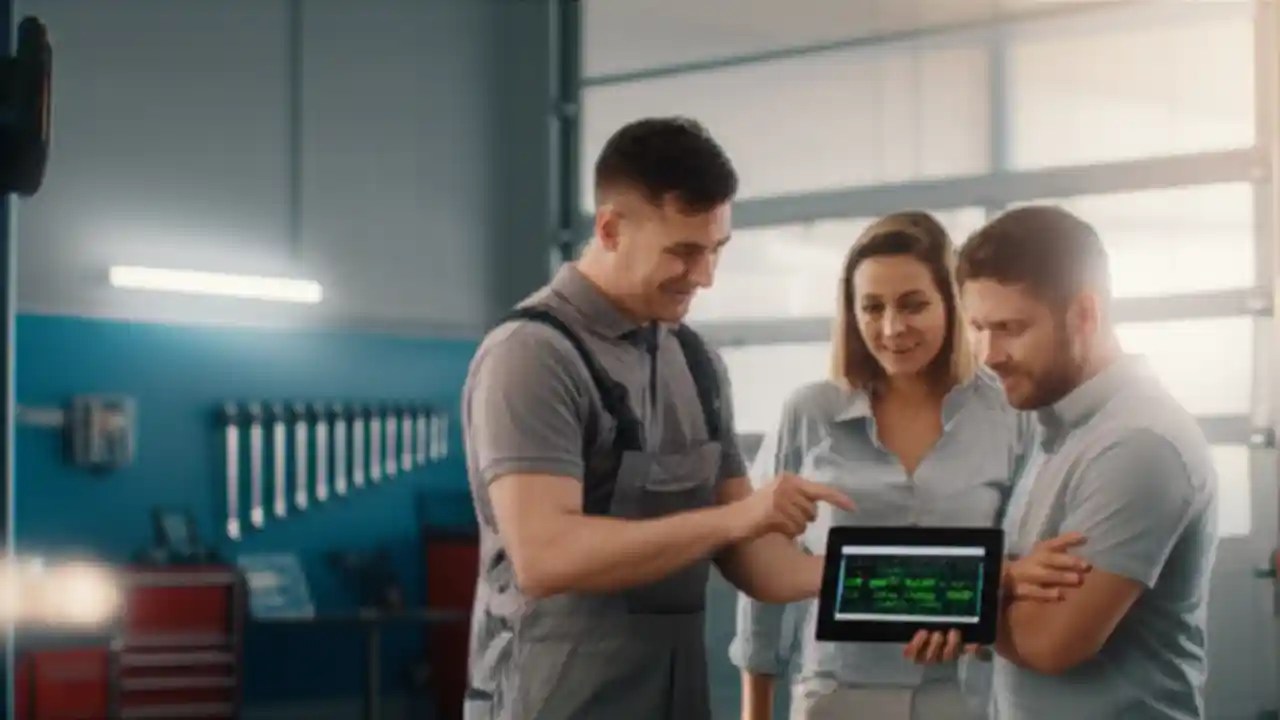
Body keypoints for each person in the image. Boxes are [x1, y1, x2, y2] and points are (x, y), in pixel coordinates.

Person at [460, 116, 856, 720]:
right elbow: (545, 555)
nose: (706, 276)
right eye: (684, 252)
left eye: (716, 250)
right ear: (610, 229)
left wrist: (895, 583)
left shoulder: (696, 362)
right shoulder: (532, 356)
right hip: (550, 703)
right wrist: (736, 517)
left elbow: (755, 559)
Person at [728, 211, 1087, 720]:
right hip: (835, 697)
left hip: (963, 696)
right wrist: (755, 711)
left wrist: (978, 609)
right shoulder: (809, 412)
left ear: (953, 304)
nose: (892, 328)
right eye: (872, 307)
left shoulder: (1010, 415)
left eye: (913, 305)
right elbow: (763, 568)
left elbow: (1024, 563)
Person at [907, 205, 1219, 719]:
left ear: (1085, 315)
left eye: (1010, 328)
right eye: (978, 327)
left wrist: (959, 597)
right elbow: (1019, 605)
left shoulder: (1139, 444)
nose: (988, 354)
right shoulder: (1053, 422)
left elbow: (1049, 642)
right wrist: (1000, 582)